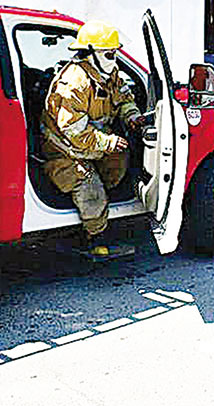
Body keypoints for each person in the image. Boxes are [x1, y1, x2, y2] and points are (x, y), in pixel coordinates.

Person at [41, 20, 145, 258]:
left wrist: (132, 116)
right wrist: (107, 142)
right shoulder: (74, 83)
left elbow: (124, 98)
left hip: (90, 145)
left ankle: (97, 211)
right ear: (90, 54)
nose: (114, 59)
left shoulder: (109, 73)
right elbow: (74, 133)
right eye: (110, 54)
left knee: (120, 161)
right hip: (64, 150)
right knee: (90, 188)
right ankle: (95, 238)